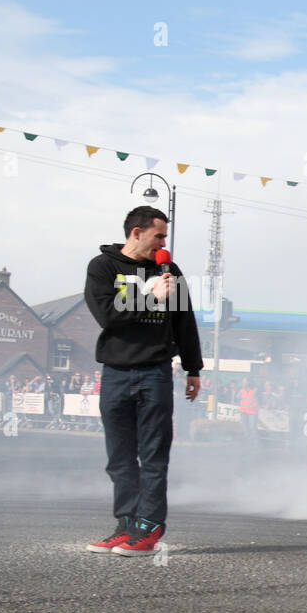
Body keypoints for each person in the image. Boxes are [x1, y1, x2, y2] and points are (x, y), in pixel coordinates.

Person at [83, 205, 201, 555]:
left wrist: (194, 368)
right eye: (159, 236)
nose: (163, 243)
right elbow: (106, 315)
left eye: (165, 236)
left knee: (152, 454)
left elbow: (183, 321)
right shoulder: (103, 267)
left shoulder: (169, 270)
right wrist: (151, 297)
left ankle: (149, 527)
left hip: (155, 373)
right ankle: (127, 523)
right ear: (137, 232)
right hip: (116, 372)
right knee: (119, 457)